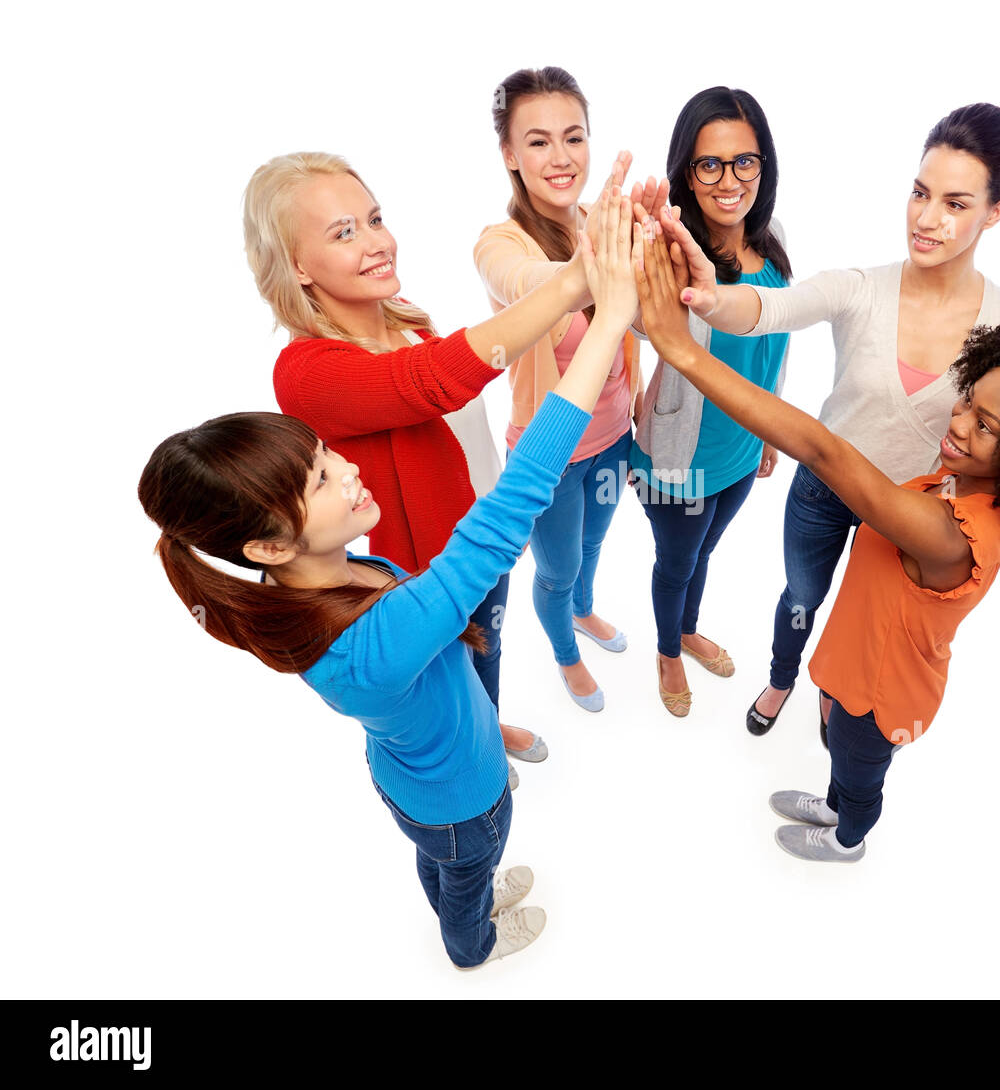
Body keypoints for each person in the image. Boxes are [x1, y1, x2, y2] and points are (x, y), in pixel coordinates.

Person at [140, 185, 642, 964]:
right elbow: (512, 504)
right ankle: (468, 939)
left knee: (444, 856)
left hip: (418, 783)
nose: (345, 468)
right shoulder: (381, 638)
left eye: (324, 453)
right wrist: (604, 318)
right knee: (470, 857)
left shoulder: (318, 580)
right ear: (268, 545)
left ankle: (456, 886)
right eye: (319, 479)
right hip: (465, 802)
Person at [635, 223, 1000, 861]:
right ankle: (834, 801)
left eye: (987, 425)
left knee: (860, 768)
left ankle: (848, 834)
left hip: (880, 696)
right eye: (967, 402)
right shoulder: (961, 482)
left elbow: (822, 448)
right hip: (857, 663)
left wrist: (685, 351)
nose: (958, 422)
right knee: (841, 751)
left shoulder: (953, 534)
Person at [659, 103, 1000, 737]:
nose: (927, 218)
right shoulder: (860, 288)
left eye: (956, 204)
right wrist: (710, 296)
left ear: (996, 211)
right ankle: (782, 679)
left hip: (907, 512)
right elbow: (770, 307)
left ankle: (836, 692)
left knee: (864, 617)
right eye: (920, 193)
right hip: (821, 493)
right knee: (802, 597)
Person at [244, 151, 623, 766]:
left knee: (488, 654)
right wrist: (574, 282)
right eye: (344, 233)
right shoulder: (306, 370)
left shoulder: (406, 321)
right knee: (448, 683)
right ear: (294, 266)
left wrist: (506, 524)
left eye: (374, 219)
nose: (377, 242)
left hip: (479, 545)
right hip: (422, 580)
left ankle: (489, 728)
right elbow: (439, 382)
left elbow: (463, 434)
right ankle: (473, 764)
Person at [474, 67, 654, 713]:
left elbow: (636, 322)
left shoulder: (603, 222)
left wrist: (651, 254)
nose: (560, 157)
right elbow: (529, 282)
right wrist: (600, 257)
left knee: (592, 547)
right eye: (539, 141)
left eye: (573, 138)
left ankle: (583, 612)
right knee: (554, 569)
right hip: (549, 455)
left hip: (614, 439)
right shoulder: (500, 245)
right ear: (510, 155)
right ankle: (565, 653)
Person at [627, 87, 792, 717]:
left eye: (744, 161)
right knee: (676, 562)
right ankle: (669, 650)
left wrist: (772, 428)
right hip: (680, 460)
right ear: (686, 176)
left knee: (704, 553)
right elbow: (643, 322)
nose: (730, 180)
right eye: (709, 165)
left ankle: (685, 629)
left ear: (763, 166)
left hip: (744, 448)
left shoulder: (772, 237)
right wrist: (639, 252)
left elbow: (773, 340)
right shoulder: (672, 255)